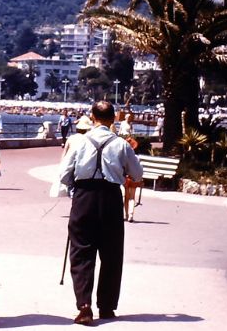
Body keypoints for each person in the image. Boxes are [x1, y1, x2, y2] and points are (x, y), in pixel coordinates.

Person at [60, 100, 143, 325]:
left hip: (84, 196)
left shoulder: (79, 142)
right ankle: (106, 306)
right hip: (110, 197)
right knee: (111, 253)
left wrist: (73, 191)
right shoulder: (121, 144)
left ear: (92, 117)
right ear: (113, 118)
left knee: (81, 252)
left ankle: (84, 305)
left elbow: (64, 174)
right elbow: (136, 174)